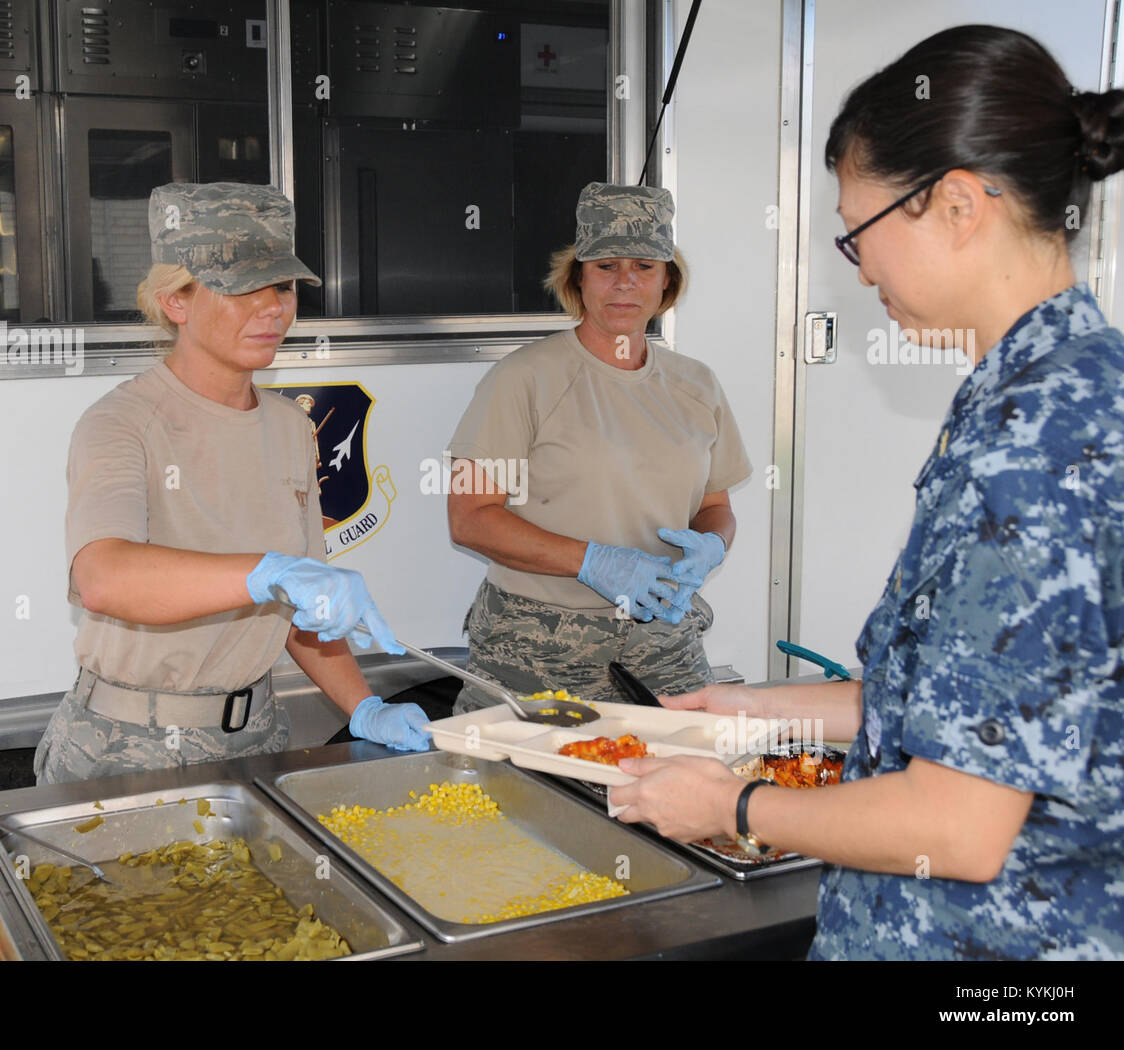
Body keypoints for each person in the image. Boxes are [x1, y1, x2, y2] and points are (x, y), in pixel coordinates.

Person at [610, 25, 1124, 960]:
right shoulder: (1056, 390)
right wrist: (744, 712)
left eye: (860, 234)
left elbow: (958, 829)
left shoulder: (1038, 444)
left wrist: (732, 802)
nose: (865, 270)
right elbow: (946, 712)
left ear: (959, 205)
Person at [34, 182, 430, 785]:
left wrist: (364, 707)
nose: (272, 307)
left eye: (283, 286)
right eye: (243, 287)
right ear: (176, 302)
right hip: (126, 749)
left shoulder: (290, 426)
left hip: (258, 737)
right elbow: (104, 578)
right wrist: (267, 571)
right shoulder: (121, 422)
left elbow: (300, 610)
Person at [447, 183, 751, 711]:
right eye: (606, 265)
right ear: (578, 278)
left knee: (681, 778)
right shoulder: (521, 378)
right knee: (527, 788)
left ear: (667, 282)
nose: (625, 283)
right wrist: (593, 561)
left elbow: (715, 505)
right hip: (536, 646)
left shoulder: (697, 384)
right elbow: (470, 517)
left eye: (645, 266)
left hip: (664, 640)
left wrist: (712, 546)